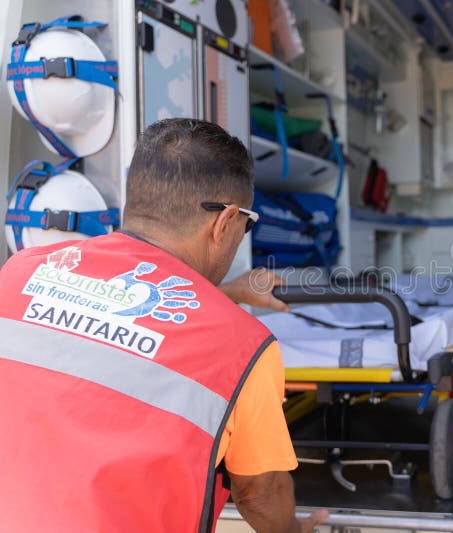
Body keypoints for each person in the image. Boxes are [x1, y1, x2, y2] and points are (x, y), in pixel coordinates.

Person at [0, 118, 327, 532]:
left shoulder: (20, 274)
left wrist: (229, 294)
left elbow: (114, 324)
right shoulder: (245, 348)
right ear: (225, 222)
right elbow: (260, 494)